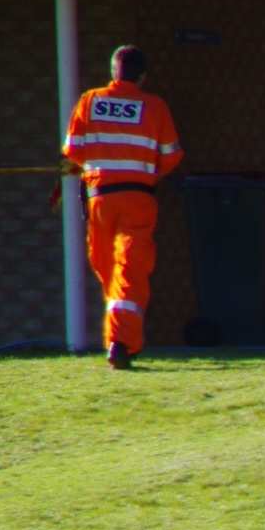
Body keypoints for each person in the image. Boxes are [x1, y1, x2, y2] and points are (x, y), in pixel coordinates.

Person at [60, 46, 182, 370]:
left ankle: (121, 342)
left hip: (100, 197)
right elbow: (171, 155)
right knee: (128, 270)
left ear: (113, 71)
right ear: (142, 76)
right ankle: (123, 342)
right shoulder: (155, 107)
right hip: (138, 198)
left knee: (109, 268)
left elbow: (73, 150)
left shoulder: (90, 101)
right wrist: (149, 173)